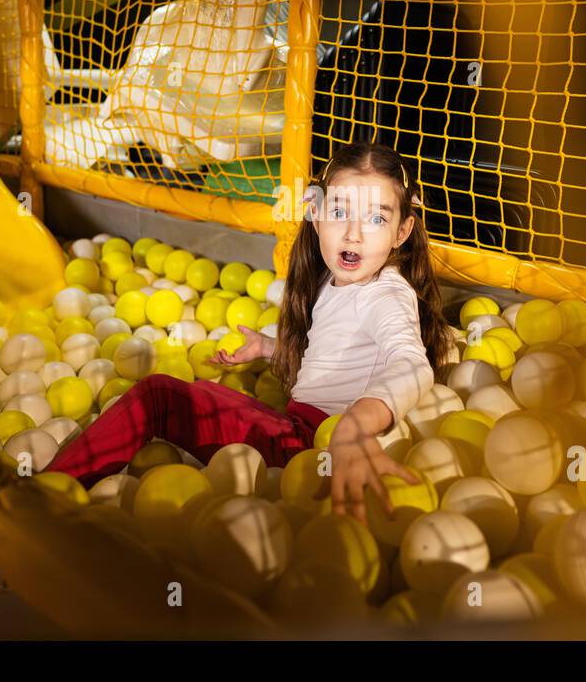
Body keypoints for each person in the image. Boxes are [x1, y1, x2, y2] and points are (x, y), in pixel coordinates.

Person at [45, 141, 456, 523]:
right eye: (340, 212)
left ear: (402, 231)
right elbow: (337, 359)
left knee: (157, 397)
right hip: (299, 435)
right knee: (190, 396)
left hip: (311, 450)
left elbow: (409, 363)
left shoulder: (386, 294)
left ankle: (42, 496)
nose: (353, 233)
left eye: (376, 218)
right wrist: (271, 349)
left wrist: (354, 426)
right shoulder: (335, 280)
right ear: (315, 214)